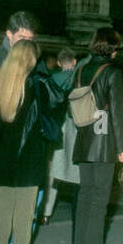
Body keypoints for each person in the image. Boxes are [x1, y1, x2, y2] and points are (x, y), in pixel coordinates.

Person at [0, 38, 47, 244]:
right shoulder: (34, 84)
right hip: (29, 156)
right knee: (25, 211)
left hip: (4, 154)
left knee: (3, 209)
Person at [71, 27, 123, 244]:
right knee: (100, 199)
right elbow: (115, 111)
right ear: (113, 48)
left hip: (84, 138)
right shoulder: (113, 72)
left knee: (85, 195)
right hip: (104, 143)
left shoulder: (81, 70)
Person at [43, 48, 80, 225]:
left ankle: (46, 212)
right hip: (74, 127)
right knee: (76, 170)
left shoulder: (52, 79)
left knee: (53, 172)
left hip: (56, 128)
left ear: (58, 63)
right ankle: (78, 210)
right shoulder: (79, 78)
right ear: (74, 61)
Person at [0, 10, 36, 79]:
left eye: (30, 38)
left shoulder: (35, 60)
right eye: (22, 37)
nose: (26, 43)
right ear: (9, 34)